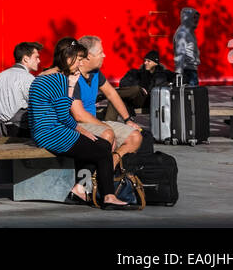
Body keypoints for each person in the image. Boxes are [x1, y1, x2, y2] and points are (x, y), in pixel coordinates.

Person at [28, 38, 137, 209]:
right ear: (67, 57)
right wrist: (82, 131)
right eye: (78, 59)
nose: (79, 64)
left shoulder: (45, 76)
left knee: (98, 145)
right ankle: (107, 195)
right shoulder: (58, 79)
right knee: (102, 150)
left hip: (46, 132)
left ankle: (81, 188)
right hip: (52, 134)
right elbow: (64, 115)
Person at [71, 35, 143, 163]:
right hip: (76, 126)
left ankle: (112, 165)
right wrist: (104, 126)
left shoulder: (95, 73)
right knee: (107, 135)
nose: (104, 55)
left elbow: (112, 94)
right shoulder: (72, 77)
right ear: (87, 56)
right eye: (100, 52)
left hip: (93, 123)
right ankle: (100, 174)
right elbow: (79, 115)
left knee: (135, 137)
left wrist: (127, 119)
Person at [0, 42, 42, 136]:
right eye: (36, 57)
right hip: (21, 131)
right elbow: (39, 105)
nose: (39, 61)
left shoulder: (0, 76)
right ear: (26, 59)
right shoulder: (28, 78)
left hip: (3, 130)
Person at [116, 49, 170, 116]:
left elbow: (179, 77)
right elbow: (123, 83)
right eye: (144, 60)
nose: (145, 63)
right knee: (118, 98)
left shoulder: (162, 74)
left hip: (148, 101)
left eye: (148, 61)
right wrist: (140, 89)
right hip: (135, 99)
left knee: (134, 90)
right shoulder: (136, 72)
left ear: (155, 63)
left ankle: (108, 94)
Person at [173, 7, 200, 86]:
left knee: (194, 94)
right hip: (188, 71)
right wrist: (179, 72)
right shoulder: (183, 34)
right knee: (192, 94)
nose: (196, 20)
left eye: (197, 18)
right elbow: (180, 53)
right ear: (187, 18)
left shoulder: (189, 32)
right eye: (194, 18)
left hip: (191, 69)